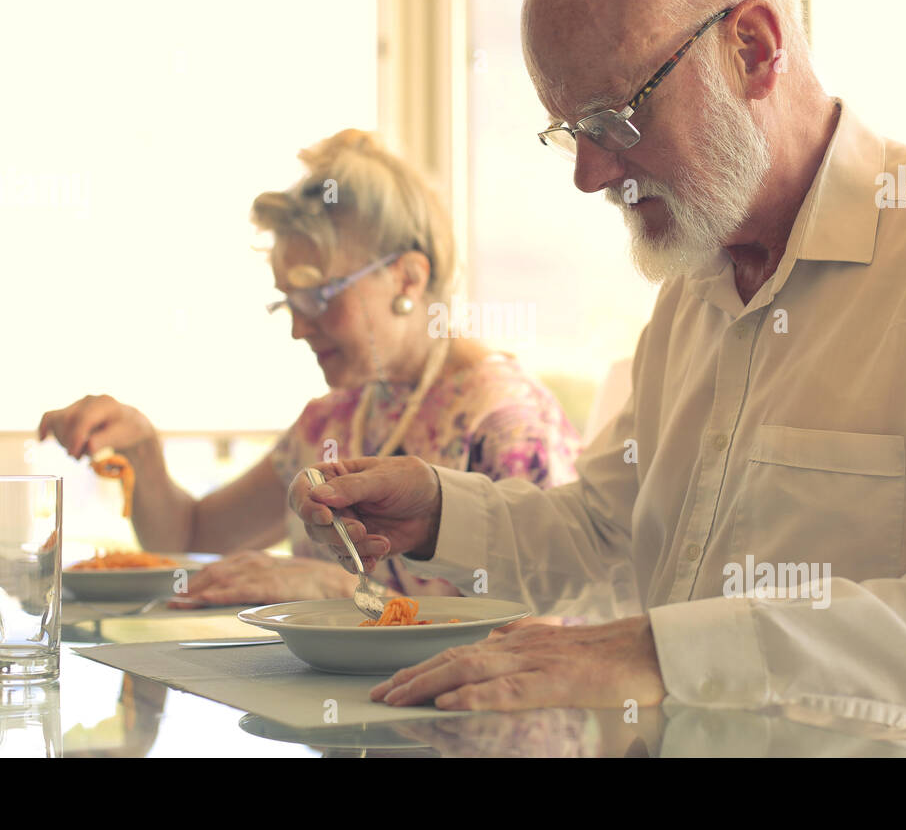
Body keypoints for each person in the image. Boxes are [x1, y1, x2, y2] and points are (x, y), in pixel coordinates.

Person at [288, 0, 906, 755]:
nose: (587, 176)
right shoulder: (693, 290)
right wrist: (436, 509)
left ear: (753, 50)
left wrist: (671, 653)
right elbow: (609, 534)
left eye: (615, 118)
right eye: (570, 130)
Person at [37, 128, 610, 614]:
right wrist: (144, 451)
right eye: (288, 301)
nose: (298, 328)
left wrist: (340, 591)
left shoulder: (505, 421)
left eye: (317, 296)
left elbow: (540, 635)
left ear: (408, 279)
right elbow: (194, 539)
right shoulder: (337, 417)